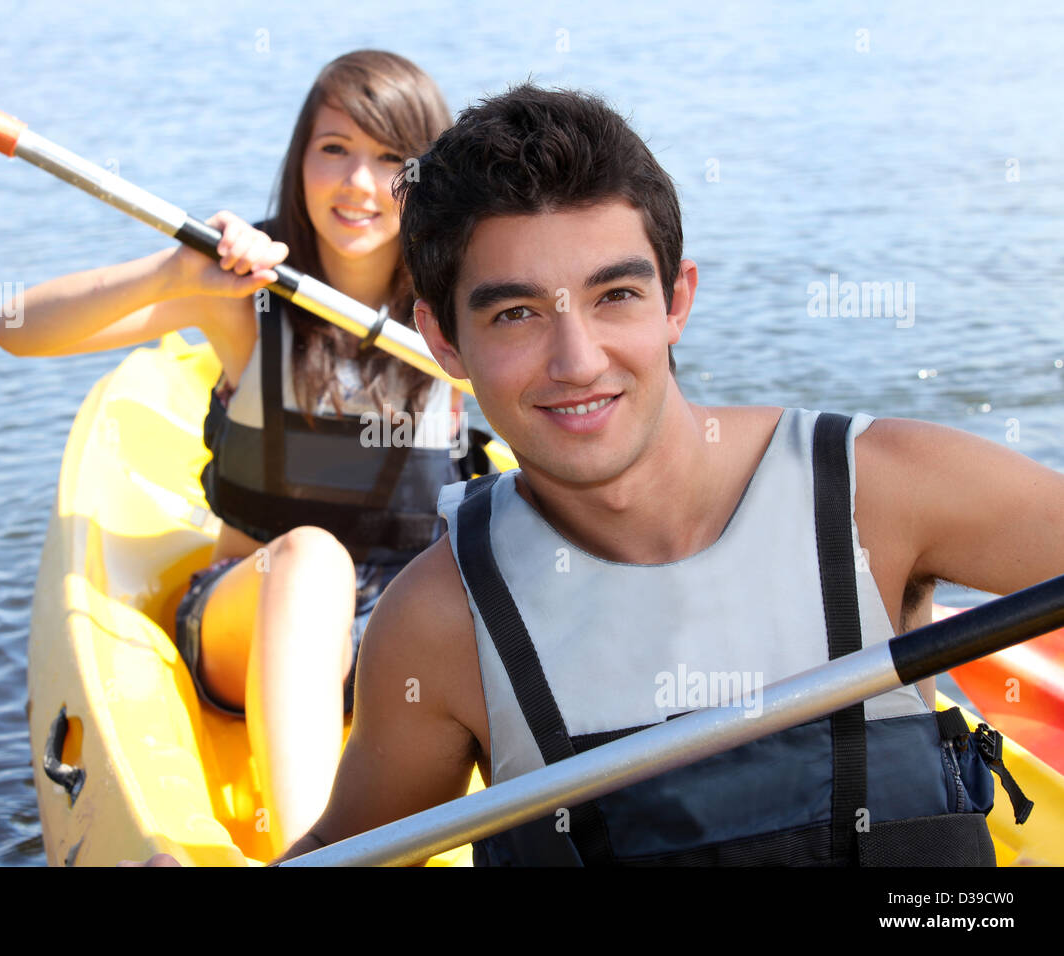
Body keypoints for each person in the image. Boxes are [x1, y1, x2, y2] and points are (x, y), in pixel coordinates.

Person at [275, 85, 1064, 865]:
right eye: (516, 314)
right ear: (443, 340)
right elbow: (345, 855)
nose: (578, 362)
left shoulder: (881, 492)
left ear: (675, 299)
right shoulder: (439, 623)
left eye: (615, 295)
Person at [0, 51, 460, 856]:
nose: (358, 185)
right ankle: (318, 851)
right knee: (312, 561)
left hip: (401, 638)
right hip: (250, 620)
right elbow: (14, 327)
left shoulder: (457, 306)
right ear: (299, 160)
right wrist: (174, 270)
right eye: (335, 149)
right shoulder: (247, 296)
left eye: (393, 162)